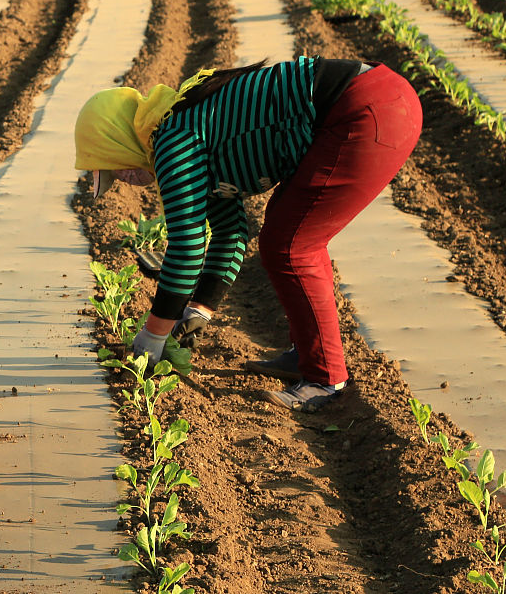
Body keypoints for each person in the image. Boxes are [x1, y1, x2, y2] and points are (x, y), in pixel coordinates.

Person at [74, 56, 422, 411]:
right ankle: (308, 354)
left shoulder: (173, 141)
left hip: (366, 109)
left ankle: (325, 379)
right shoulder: (182, 130)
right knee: (286, 232)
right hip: (379, 99)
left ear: (117, 138)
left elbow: (187, 245)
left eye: (112, 166)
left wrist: (152, 335)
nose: (122, 180)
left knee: (290, 245)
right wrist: (200, 308)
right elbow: (229, 231)